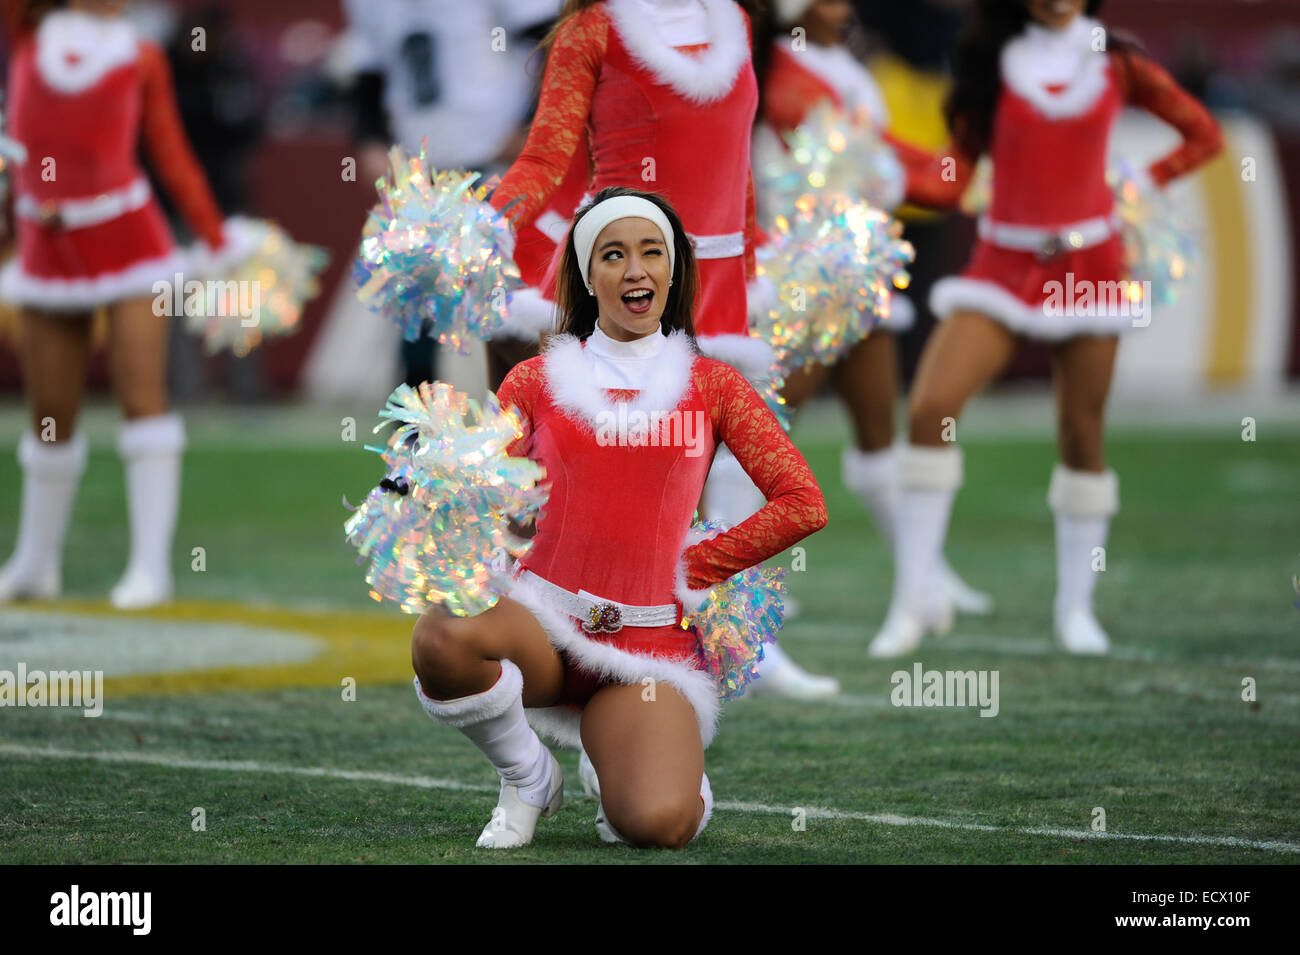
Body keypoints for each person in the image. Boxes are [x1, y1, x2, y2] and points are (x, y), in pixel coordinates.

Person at [408, 187, 828, 848]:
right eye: (613, 254)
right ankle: (526, 775)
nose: (635, 269)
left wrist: (699, 562)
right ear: (587, 274)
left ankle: (641, 762)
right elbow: (495, 502)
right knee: (441, 638)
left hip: (648, 649)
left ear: (673, 269)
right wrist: (445, 496)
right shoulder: (533, 380)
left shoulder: (714, 384)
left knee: (657, 824)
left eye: (650, 252)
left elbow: (803, 501)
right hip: (543, 621)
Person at [486, 0, 840, 698]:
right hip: (624, 275)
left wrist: (756, 260)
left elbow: (734, 161)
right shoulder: (595, 29)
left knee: (727, 467)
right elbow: (545, 156)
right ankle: (567, 652)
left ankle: (745, 641)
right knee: (604, 477)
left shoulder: (733, 19)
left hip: (718, 275)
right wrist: (478, 227)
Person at [868, 0, 1223, 657]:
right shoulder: (989, 63)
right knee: (930, 409)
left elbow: (1204, 134)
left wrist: (1144, 180)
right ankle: (913, 600)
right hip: (1003, 263)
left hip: (1091, 266)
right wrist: (885, 168)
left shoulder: (1117, 62)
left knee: (1081, 435)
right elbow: (954, 179)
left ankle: (1075, 610)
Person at [753, 0, 994, 619]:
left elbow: (889, 152)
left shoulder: (843, 66)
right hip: (801, 279)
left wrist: (963, 147)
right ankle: (726, 588)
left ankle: (925, 577)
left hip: (854, 275)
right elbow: (874, 162)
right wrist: (954, 161)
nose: (847, 6)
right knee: (757, 443)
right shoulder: (781, 66)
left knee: (879, 438)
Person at [0, 0, 235, 608]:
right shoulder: (28, 33)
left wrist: (216, 239)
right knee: (50, 412)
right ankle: (35, 562)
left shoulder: (143, 56)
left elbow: (170, 150)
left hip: (130, 245)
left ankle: (151, 568)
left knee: (142, 399)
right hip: (48, 250)